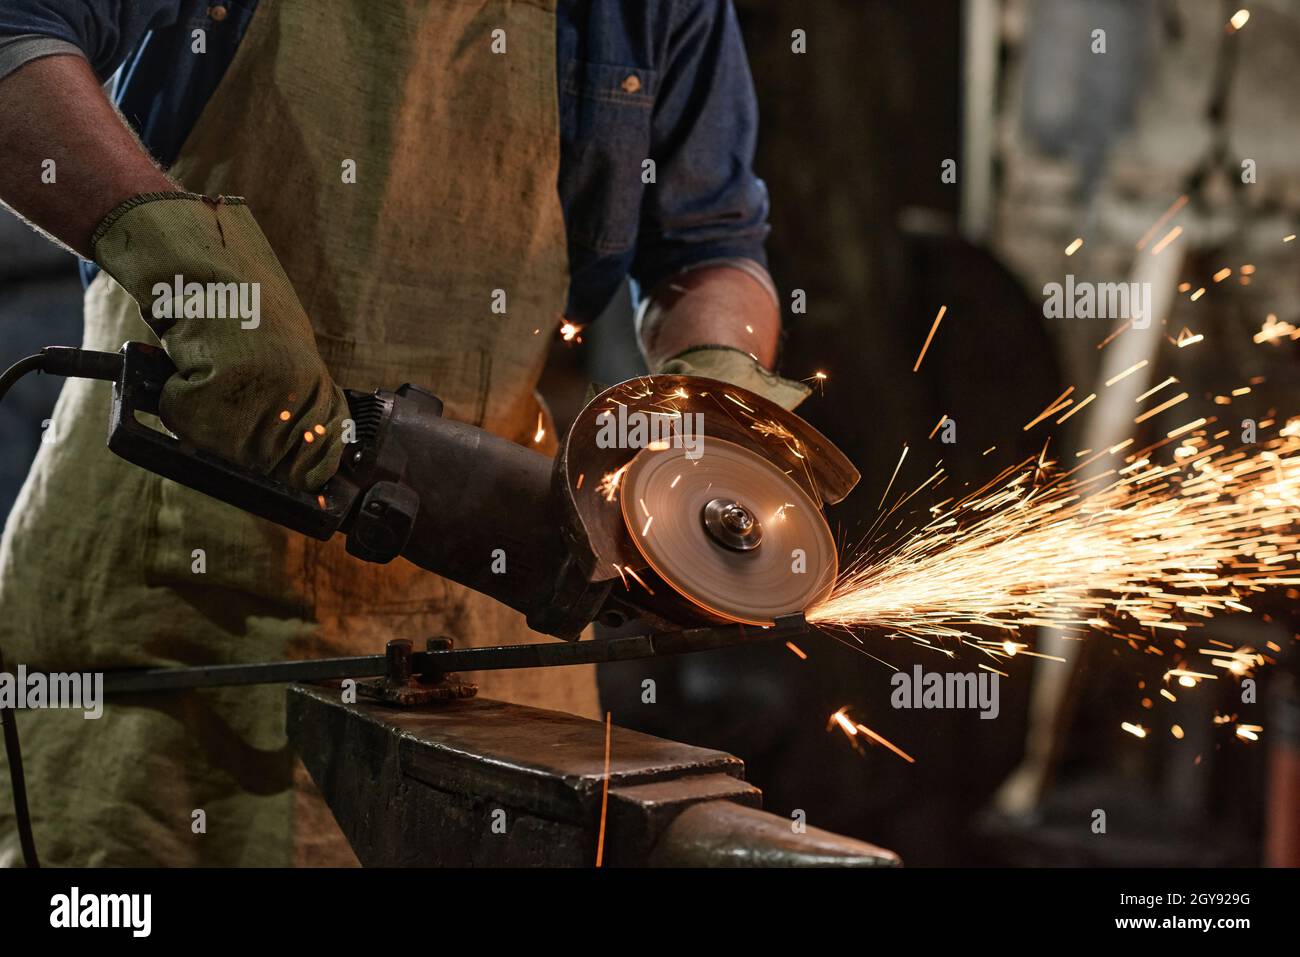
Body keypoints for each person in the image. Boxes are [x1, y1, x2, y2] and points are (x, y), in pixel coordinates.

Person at [0, 0, 809, 866]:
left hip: (487, 641)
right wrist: (188, 268)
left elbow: (709, 246)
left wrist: (711, 406)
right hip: (169, 624)